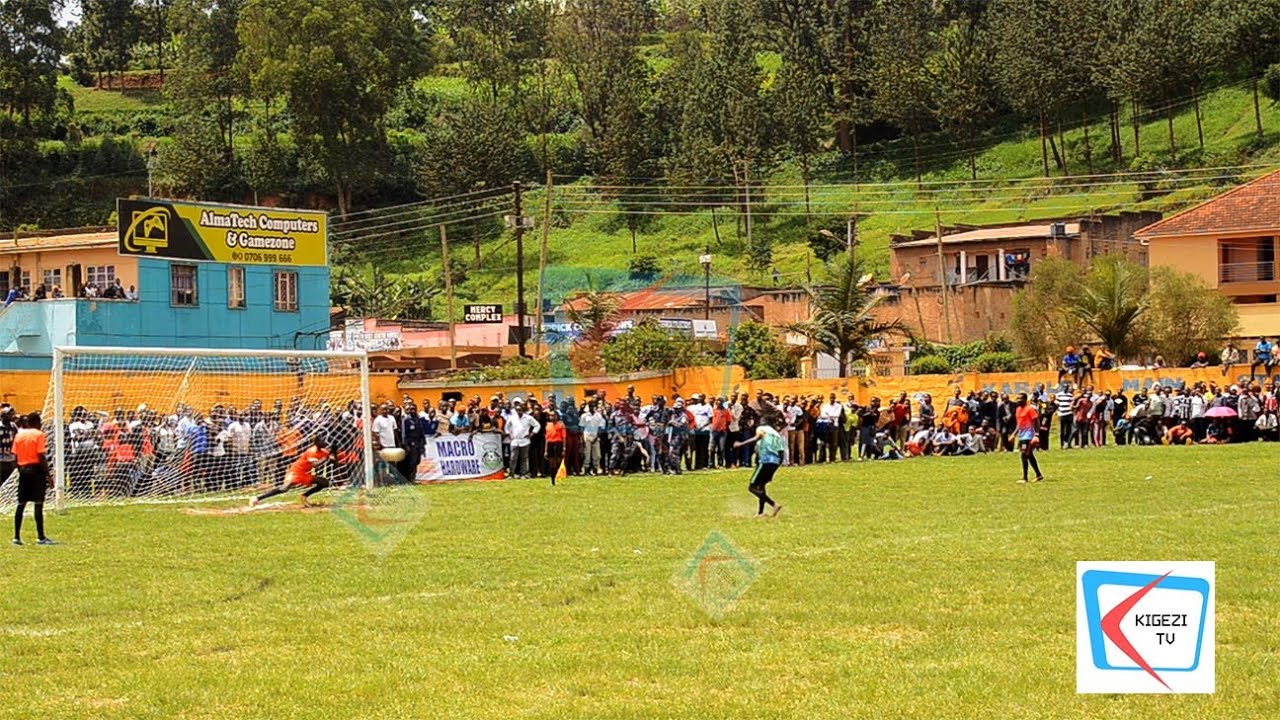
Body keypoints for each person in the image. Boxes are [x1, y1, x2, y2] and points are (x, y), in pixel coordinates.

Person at [250, 437, 332, 507]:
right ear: (316, 443)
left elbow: (335, 463)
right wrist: (326, 458)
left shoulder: (324, 452)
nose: (325, 442)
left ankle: (304, 496)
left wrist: (333, 453)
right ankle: (257, 498)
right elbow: (314, 465)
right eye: (322, 441)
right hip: (296, 471)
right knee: (284, 488)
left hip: (304, 473)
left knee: (324, 483)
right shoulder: (312, 451)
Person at [12, 412, 54, 544]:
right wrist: (48, 475)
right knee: (38, 503)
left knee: (21, 504)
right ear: (36, 422)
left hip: (23, 470)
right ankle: (41, 537)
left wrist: (20, 469)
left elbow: (15, 456)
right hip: (36, 470)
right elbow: (41, 456)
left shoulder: (19, 435)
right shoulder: (39, 434)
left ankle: (16, 537)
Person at [733, 413, 785, 518]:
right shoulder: (776, 434)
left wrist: (741, 444)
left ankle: (774, 505)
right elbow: (781, 451)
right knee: (761, 486)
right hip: (775, 462)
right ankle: (760, 512)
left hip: (765, 460)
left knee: (752, 487)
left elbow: (757, 437)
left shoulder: (762, 429)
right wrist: (777, 465)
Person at [1014, 393, 1044, 484]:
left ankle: (1025, 478)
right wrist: (1014, 434)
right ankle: (1038, 475)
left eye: (1020, 398)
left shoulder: (1030, 409)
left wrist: (1036, 435)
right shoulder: (1018, 409)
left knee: (1024, 454)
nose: (1018, 400)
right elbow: (1019, 423)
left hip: (1029, 435)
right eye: (1017, 398)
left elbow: (1037, 421)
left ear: (1025, 399)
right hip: (1022, 435)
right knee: (1029, 455)